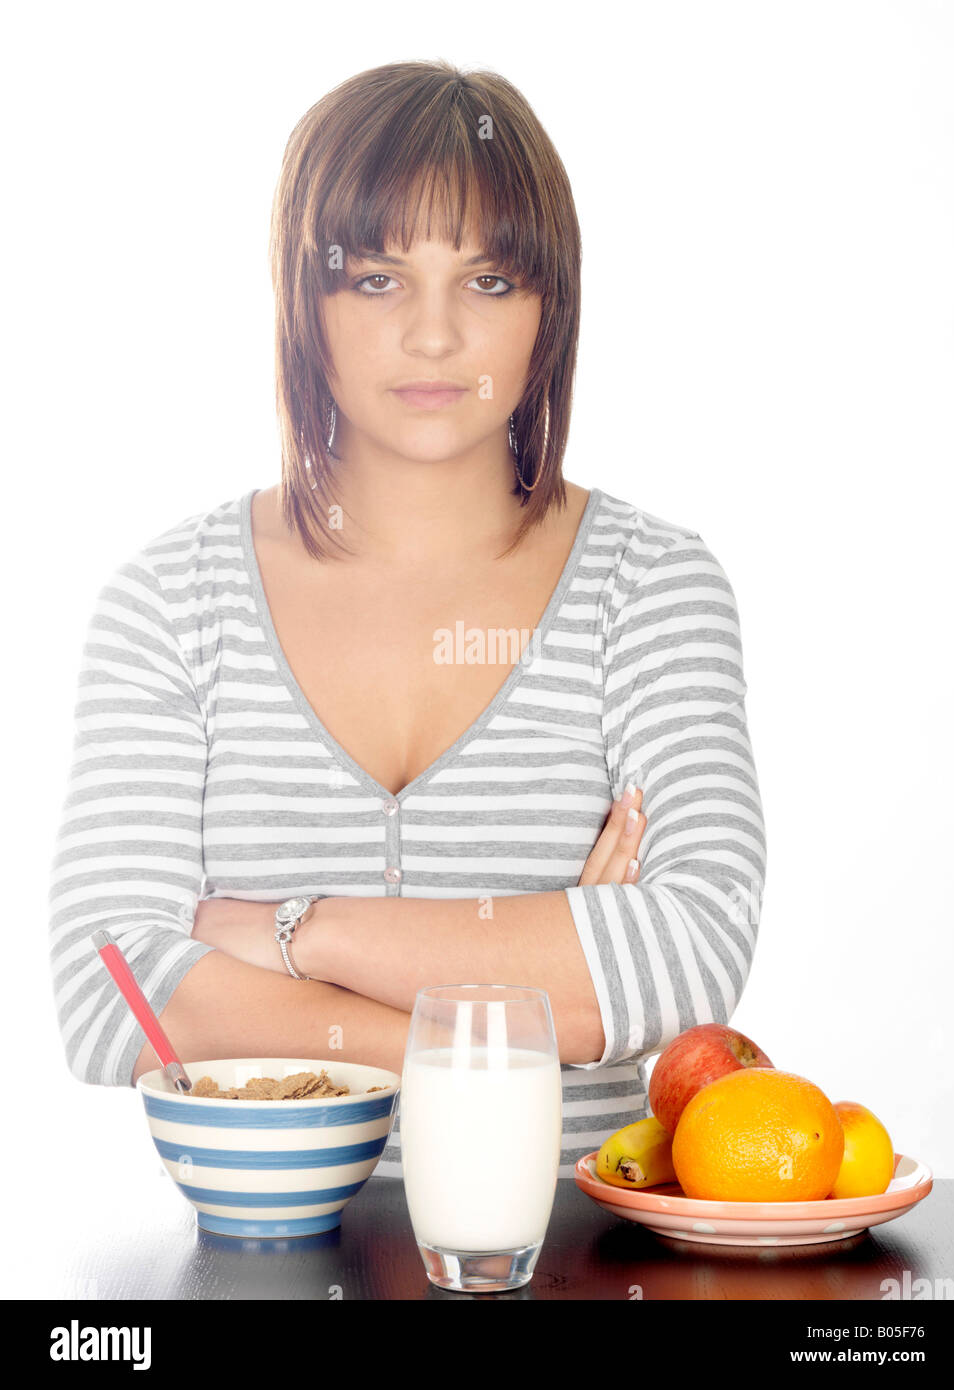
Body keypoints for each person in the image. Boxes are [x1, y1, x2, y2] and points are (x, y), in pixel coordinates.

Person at [47, 60, 766, 1179]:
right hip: (259, 1268)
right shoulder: (170, 602)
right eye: (377, 279)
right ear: (304, 298)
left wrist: (293, 932)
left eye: (488, 282)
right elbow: (111, 988)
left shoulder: (651, 587)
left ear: (550, 307)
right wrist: (518, 1021)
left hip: (562, 1263)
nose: (434, 337)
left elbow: (688, 951)